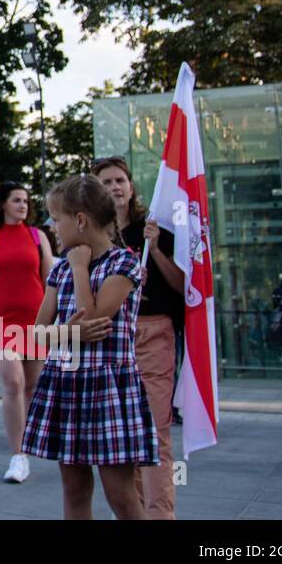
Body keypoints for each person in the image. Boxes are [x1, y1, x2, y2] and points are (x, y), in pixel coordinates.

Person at [21, 174, 155, 519]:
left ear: (80, 220)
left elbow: (92, 316)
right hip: (68, 384)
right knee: (74, 490)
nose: (52, 227)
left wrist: (80, 268)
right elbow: (38, 333)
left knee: (120, 495)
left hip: (108, 387)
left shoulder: (124, 264)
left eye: (56, 218)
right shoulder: (58, 270)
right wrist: (68, 333)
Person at [92, 155, 184, 519]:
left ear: (131, 187)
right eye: (106, 182)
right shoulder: (94, 235)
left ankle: (161, 515)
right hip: (111, 338)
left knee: (155, 431)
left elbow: (182, 286)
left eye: (120, 180)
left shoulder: (155, 229)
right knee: (121, 437)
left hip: (152, 332)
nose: (115, 187)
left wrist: (157, 250)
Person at [0, 181, 54, 483]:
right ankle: (17, 455)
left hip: (34, 320)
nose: (23, 205)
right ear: (3, 204)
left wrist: (52, 324)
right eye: (17, 200)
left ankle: (26, 450)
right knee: (13, 383)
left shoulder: (37, 236)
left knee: (31, 387)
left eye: (26, 201)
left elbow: (49, 282)